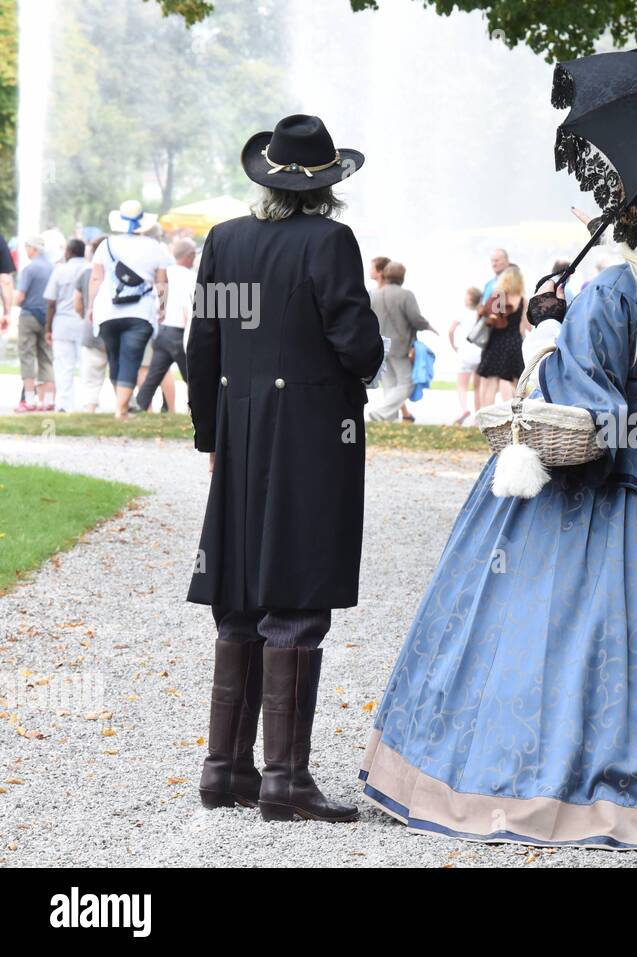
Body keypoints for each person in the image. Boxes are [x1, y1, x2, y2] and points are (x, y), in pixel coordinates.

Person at [362, 198, 637, 848]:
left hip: (616, 477)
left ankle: (567, 782)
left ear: (636, 217)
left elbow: (585, 406)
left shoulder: (617, 290)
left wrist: (549, 333)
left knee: (568, 630)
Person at [188, 115, 384, 824]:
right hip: (308, 433)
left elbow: (200, 344)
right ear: (326, 186)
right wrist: (367, 359)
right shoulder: (330, 240)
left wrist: (212, 434)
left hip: (240, 430)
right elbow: (356, 340)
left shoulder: (224, 240)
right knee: (297, 597)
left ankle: (226, 768)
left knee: (240, 593)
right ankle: (284, 778)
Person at [85, 201, 172, 419]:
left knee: (115, 358)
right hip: (140, 313)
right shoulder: (154, 247)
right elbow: (162, 282)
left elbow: (96, 278)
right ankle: (121, 410)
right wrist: (162, 307)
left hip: (107, 310)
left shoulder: (106, 245)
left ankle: (121, 406)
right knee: (131, 359)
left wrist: (91, 306)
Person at [366, 260, 433, 422]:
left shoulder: (373, 294)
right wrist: (428, 326)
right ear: (402, 276)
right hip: (399, 346)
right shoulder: (405, 295)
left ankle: (388, 418)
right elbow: (415, 319)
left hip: (380, 344)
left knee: (389, 383)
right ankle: (381, 412)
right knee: (407, 382)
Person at [136, 237, 197, 413]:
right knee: (193, 378)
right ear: (190, 256)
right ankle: (200, 411)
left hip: (162, 332)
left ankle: (139, 407)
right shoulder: (192, 278)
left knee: (153, 378)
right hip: (179, 333)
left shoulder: (164, 273)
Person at [44, 239, 88, 412]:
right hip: (84, 322)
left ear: (69, 252)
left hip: (62, 322)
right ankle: (87, 405)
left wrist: (48, 328)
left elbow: (51, 303)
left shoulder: (59, 271)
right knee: (86, 366)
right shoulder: (90, 269)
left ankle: (63, 405)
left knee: (63, 367)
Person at [475, 263, 527, 405]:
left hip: (497, 343)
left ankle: (486, 421)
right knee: (518, 384)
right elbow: (527, 326)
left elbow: (491, 319)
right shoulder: (522, 300)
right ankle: (520, 417)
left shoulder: (499, 296)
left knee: (491, 383)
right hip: (515, 343)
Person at [15, 236, 54, 412]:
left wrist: (17, 302)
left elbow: (20, 297)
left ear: (33, 249)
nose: (26, 251)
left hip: (29, 315)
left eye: (27, 247)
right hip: (47, 317)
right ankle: (49, 400)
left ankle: (29, 401)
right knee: (46, 357)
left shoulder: (29, 269)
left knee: (27, 357)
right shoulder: (52, 268)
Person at [76, 237, 108, 412]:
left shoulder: (86, 274)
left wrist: (84, 313)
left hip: (91, 326)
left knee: (91, 374)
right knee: (119, 370)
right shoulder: (117, 271)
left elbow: (77, 301)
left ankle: (90, 407)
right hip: (115, 326)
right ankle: (124, 406)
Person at [446, 286, 482, 425]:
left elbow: (450, 331)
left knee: (461, 385)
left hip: (465, 353)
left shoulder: (461, 312)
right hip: (480, 353)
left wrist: (453, 346)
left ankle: (464, 409)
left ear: (469, 298)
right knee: (478, 387)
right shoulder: (481, 312)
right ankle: (478, 417)